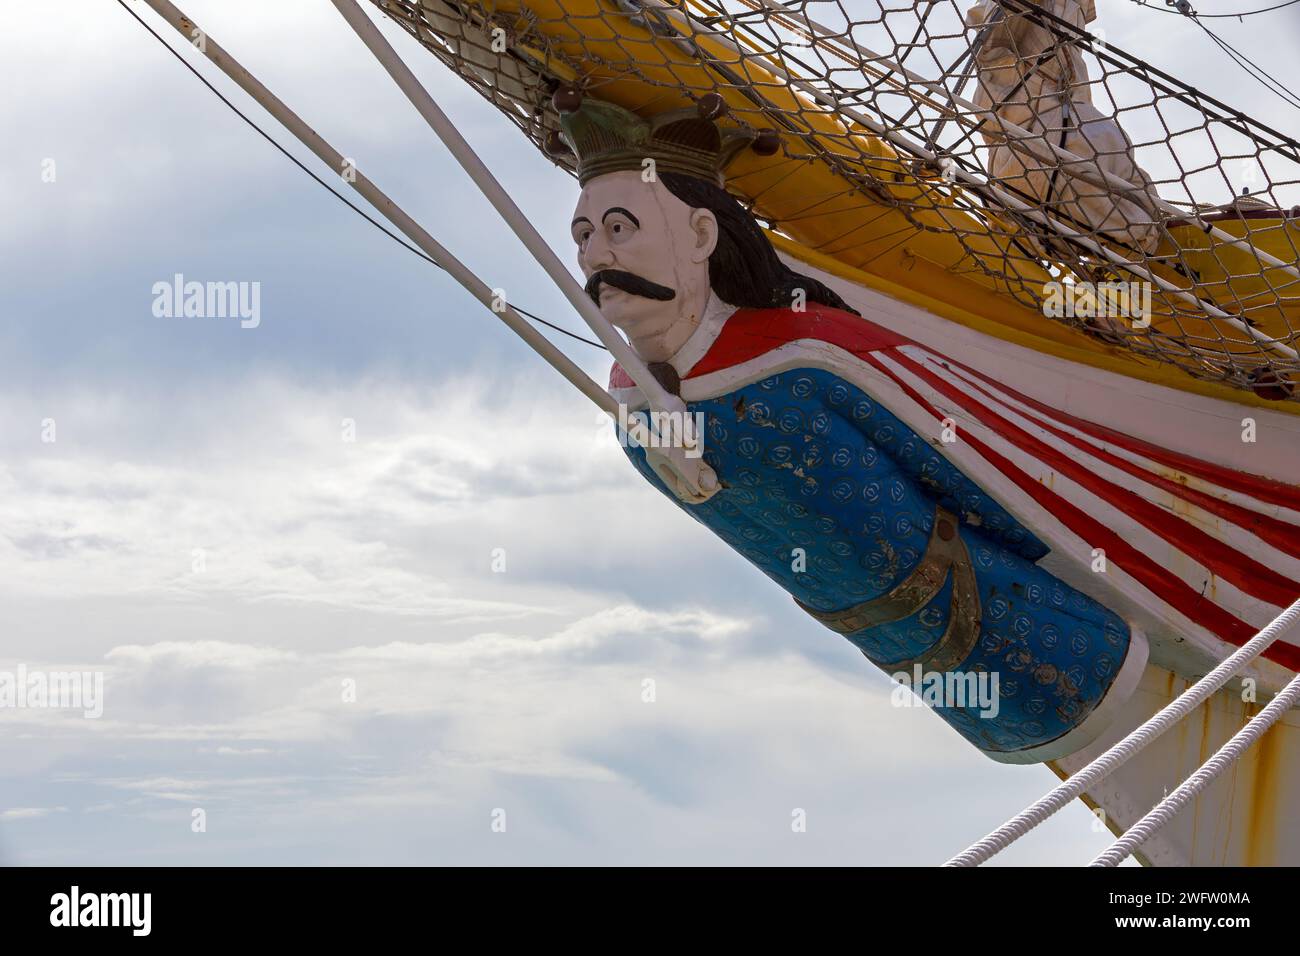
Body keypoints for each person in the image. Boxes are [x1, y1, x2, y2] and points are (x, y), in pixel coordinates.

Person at [549, 92, 1146, 764]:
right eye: (583, 236)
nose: (596, 256)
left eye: (620, 228)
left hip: (1055, 635)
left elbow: (988, 482)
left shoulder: (811, 352)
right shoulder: (632, 403)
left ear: (700, 236)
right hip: (922, 664)